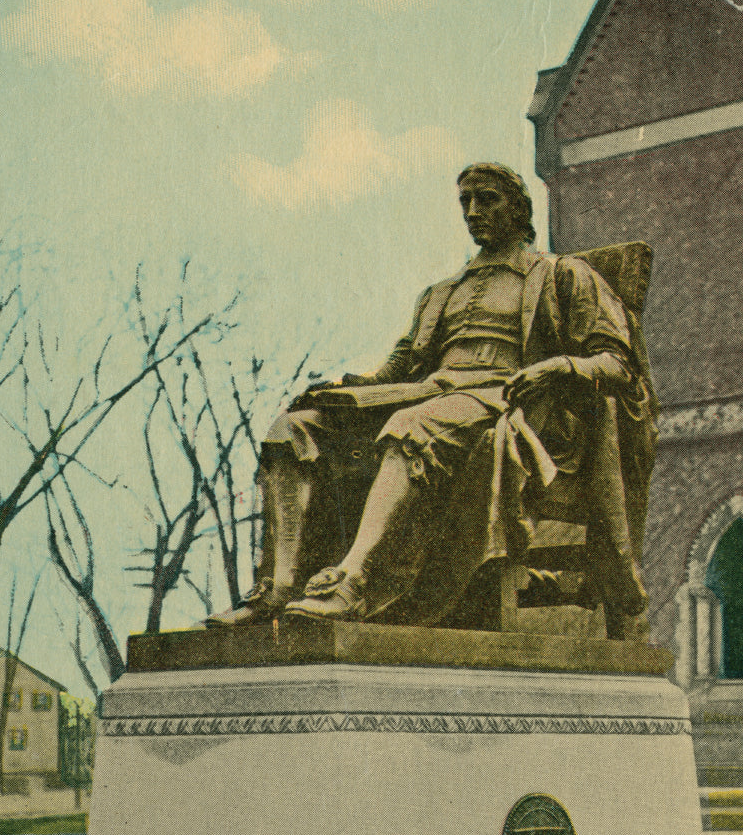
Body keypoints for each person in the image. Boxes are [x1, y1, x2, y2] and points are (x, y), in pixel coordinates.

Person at [207, 163, 658, 636]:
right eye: (466, 201)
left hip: (510, 399)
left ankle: (354, 581)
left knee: (412, 426)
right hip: (429, 393)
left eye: (487, 199)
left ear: (518, 209)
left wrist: (559, 367)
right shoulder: (441, 293)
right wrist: (345, 390)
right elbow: (396, 369)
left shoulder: (562, 274)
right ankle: (277, 589)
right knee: (293, 428)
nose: (473, 211)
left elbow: (618, 364)